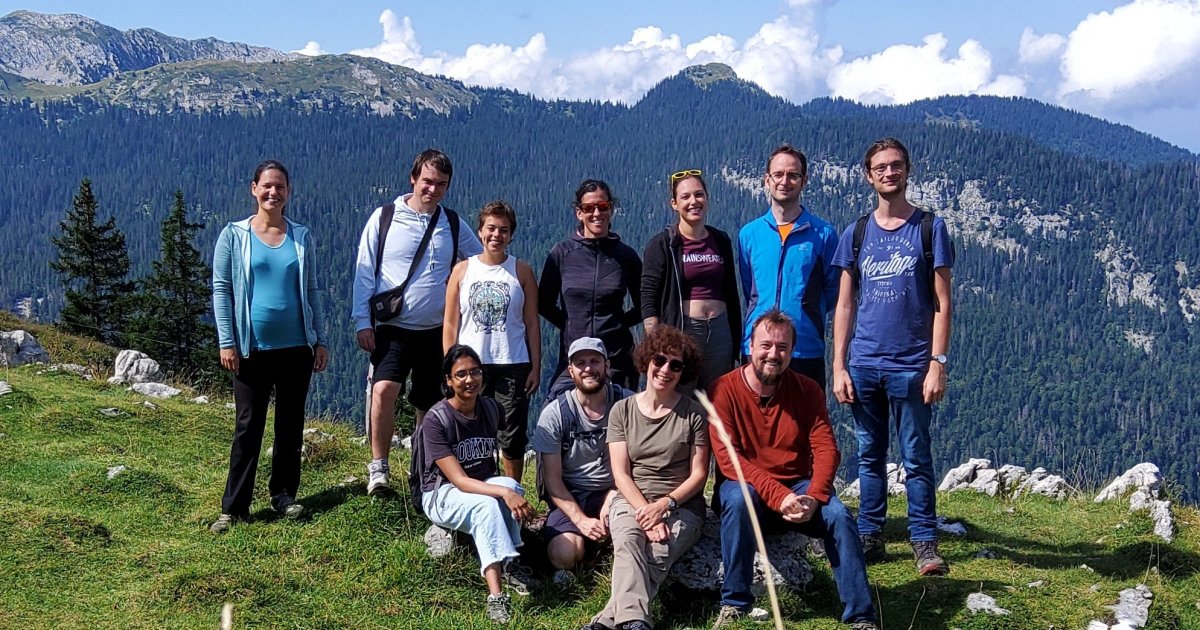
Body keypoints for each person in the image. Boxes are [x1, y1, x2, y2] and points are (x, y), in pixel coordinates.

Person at [831, 137, 955, 577]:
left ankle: (923, 541)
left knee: (916, 456)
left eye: (896, 166)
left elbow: (943, 301)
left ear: (908, 171)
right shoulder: (857, 232)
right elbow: (844, 305)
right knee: (869, 455)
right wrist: (839, 366)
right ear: (869, 176)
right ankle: (870, 534)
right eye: (880, 167)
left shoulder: (928, 227)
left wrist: (938, 362)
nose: (889, 173)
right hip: (864, 364)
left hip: (912, 365)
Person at [709, 310, 878, 629]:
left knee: (840, 517)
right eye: (766, 345)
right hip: (748, 487)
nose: (773, 354)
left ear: (792, 351)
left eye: (782, 347)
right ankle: (734, 602)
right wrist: (777, 495)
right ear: (750, 346)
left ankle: (861, 615)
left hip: (799, 489)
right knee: (737, 497)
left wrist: (815, 495)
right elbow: (730, 459)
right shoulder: (723, 390)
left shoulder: (807, 390)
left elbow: (826, 447)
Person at [351, 149, 483, 496]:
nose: (433, 189)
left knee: (428, 403)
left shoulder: (452, 223)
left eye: (441, 184)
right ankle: (379, 468)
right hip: (394, 327)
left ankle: (422, 467)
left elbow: (480, 260)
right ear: (413, 178)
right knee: (383, 390)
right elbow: (364, 272)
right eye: (427, 181)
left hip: (437, 331)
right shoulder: (385, 218)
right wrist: (362, 321)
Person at [210, 160, 329, 533]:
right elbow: (222, 289)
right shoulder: (234, 235)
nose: (273, 193)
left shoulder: (301, 237)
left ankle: (283, 496)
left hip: (296, 347)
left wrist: (320, 338)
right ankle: (235, 507)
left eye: (280, 187)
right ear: (254, 189)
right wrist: (227, 341)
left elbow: (312, 290)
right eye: (267, 186)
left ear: (288, 192)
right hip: (251, 349)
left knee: (290, 426)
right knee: (248, 426)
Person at [583, 326, 709, 630]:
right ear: (646, 361)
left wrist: (664, 505)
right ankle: (637, 623)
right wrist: (646, 514)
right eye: (660, 360)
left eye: (675, 365)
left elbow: (700, 474)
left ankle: (606, 621)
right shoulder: (622, 411)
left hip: (681, 505)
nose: (665, 370)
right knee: (628, 540)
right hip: (631, 498)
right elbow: (621, 473)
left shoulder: (693, 414)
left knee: (657, 552)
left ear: (683, 371)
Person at [418, 345, 541, 624]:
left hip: (480, 482)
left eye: (475, 372)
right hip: (441, 494)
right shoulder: (436, 420)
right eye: (460, 374)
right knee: (491, 502)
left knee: (513, 485)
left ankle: (510, 563)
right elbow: (459, 480)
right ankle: (496, 596)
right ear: (448, 381)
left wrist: (508, 490)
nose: (469, 380)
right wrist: (503, 493)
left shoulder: (490, 408)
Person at [444, 200, 541, 482]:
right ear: (480, 231)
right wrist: (450, 365)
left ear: (511, 235)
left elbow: (532, 323)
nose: (496, 235)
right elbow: (451, 322)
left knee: (512, 434)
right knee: (471, 430)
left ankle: (514, 492)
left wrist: (535, 366)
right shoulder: (462, 271)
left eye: (504, 230)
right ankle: (474, 487)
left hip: (513, 362)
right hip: (471, 364)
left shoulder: (521, 272)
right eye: (491, 229)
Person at [530, 337, 632, 585]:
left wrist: (616, 493)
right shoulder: (555, 414)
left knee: (630, 540)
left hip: (618, 490)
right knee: (563, 554)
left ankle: (602, 558)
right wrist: (581, 521)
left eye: (595, 361)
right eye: (581, 363)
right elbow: (552, 480)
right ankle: (586, 550)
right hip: (571, 494)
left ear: (607, 365)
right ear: (570, 369)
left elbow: (643, 460)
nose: (588, 368)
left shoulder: (628, 404)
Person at [737, 145, 840, 389]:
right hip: (757, 350)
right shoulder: (749, 234)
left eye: (793, 175)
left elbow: (832, 291)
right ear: (767, 179)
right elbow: (749, 288)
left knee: (804, 425)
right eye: (778, 174)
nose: (785, 181)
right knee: (754, 424)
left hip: (805, 349)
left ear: (804, 181)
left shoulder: (824, 235)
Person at [539, 179, 642, 397]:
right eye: (589, 208)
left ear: (611, 209)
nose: (597, 213)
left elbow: (645, 304)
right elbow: (543, 304)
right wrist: (570, 323)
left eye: (603, 206)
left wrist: (618, 324)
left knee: (620, 426)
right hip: (574, 359)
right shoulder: (561, 254)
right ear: (579, 213)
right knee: (555, 417)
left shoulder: (626, 256)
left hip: (616, 361)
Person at [640, 169, 741, 391]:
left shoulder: (720, 240)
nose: (693, 202)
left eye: (699, 194)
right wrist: (656, 343)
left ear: (707, 198)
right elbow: (648, 297)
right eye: (685, 197)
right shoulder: (662, 244)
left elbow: (731, 292)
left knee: (718, 398)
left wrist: (736, 338)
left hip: (720, 331)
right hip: (683, 329)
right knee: (679, 395)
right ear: (674, 204)